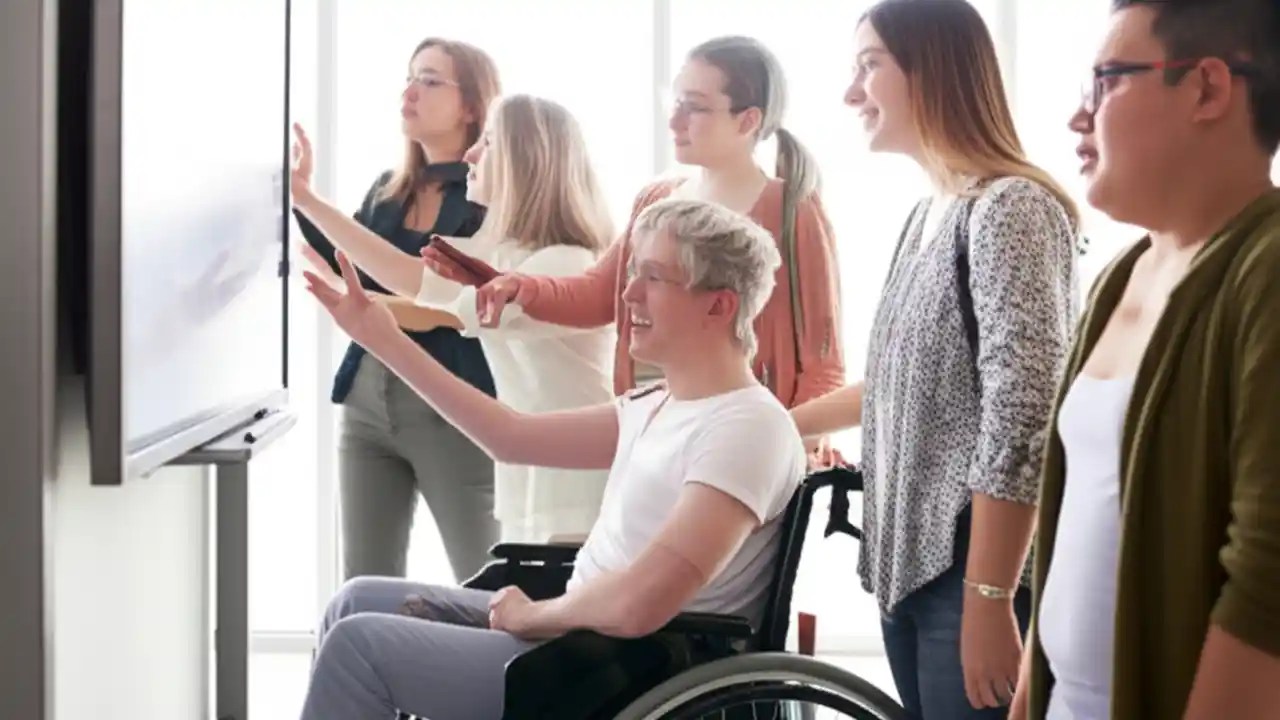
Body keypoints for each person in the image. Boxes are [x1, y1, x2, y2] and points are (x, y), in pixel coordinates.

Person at [296, 198, 806, 720]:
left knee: (358, 649)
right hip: (586, 639)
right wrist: (382, 339)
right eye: (633, 273)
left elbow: (641, 603)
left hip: (628, 669)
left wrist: (537, 615)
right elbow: (509, 438)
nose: (628, 293)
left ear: (718, 307)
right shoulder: (659, 404)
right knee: (353, 602)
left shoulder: (747, 429)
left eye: (653, 277)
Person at [794, 1, 1081, 717]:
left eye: (869, 66)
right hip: (912, 577)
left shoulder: (1011, 208)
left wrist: (989, 598)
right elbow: (894, 386)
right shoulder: (928, 217)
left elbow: (1025, 412)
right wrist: (771, 421)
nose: (850, 92)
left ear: (935, 71)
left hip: (972, 572)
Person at [1010, 2, 1280, 719]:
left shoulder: (1267, 272)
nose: (1078, 118)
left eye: (1105, 82)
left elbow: (1268, 588)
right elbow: (1071, 535)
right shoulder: (1120, 276)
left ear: (1208, 89)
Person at [423, 35, 845, 419]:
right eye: (674, 103)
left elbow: (823, 360)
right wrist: (517, 286)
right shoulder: (657, 199)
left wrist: (796, 442)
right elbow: (598, 294)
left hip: (743, 441)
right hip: (653, 433)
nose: (675, 122)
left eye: (694, 107)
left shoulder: (793, 211)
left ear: (748, 120)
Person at [291, 93, 616, 544]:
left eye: (488, 142)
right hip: (538, 487)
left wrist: (363, 312)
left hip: (579, 494)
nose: (469, 155)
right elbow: (411, 278)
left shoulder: (562, 263)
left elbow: (423, 302)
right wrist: (305, 200)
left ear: (524, 159)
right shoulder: (504, 253)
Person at [293, 38, 502, 582]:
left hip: (452, 409)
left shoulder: (492, 198)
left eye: (430, 80)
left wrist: (369, 307)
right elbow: (348, 273)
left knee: (484, 582)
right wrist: (296, 197)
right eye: (410, 78)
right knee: (363, 583)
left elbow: (451, 309)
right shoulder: (388, 193)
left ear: (473, 106)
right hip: (365, 406)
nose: (410, 93)